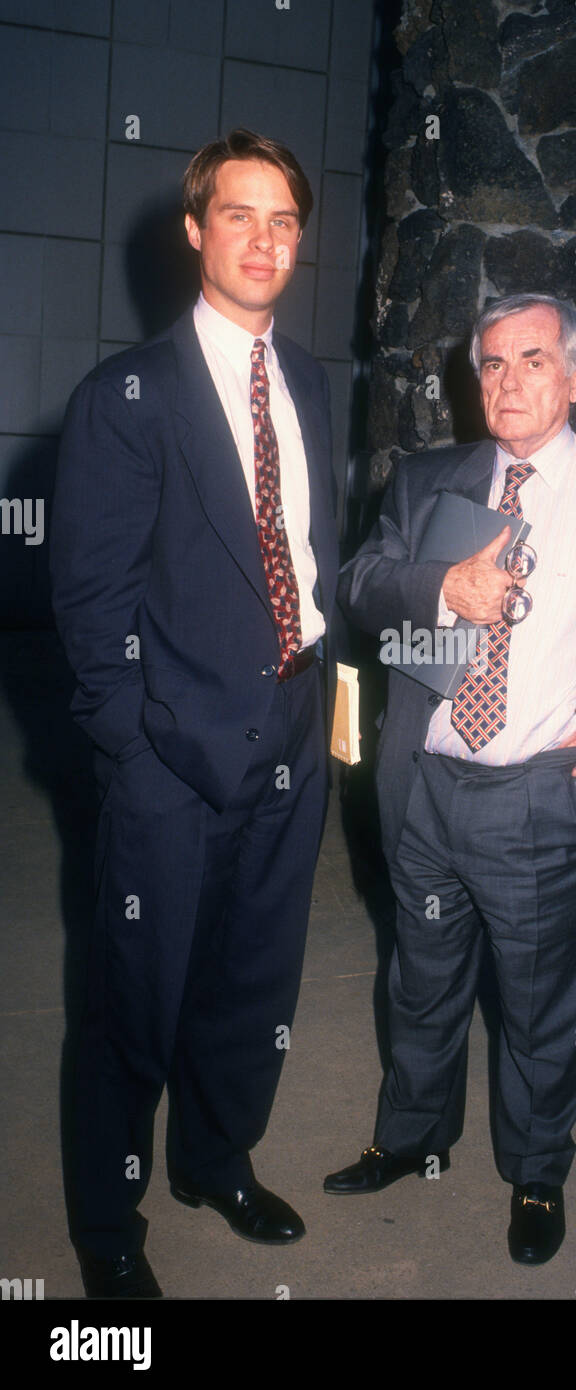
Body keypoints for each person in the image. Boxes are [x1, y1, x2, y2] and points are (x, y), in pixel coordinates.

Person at [327, 293, 576, 1264]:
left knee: (542, 999)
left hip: (546, 795)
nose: (509, 382)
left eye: (534, 361)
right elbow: (355, 587)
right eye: (493, 365)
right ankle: (413, 1131)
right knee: (420, 983)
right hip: (428, 784)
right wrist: (442, 589)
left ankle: (538, 1167)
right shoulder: (428, 480)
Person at [50, 128, 340, 1298]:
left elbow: (308, 555)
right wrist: (134, 749)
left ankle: (214, 1160)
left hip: (292, 732)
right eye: (239, 215)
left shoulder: (311, 381)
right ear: (193, 230)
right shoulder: (126, 397)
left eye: (284, 221)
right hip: (168, 761)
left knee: (251, 981)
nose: (263, 239)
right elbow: (89, 601)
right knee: (135, 1000)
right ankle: (109, 1223)